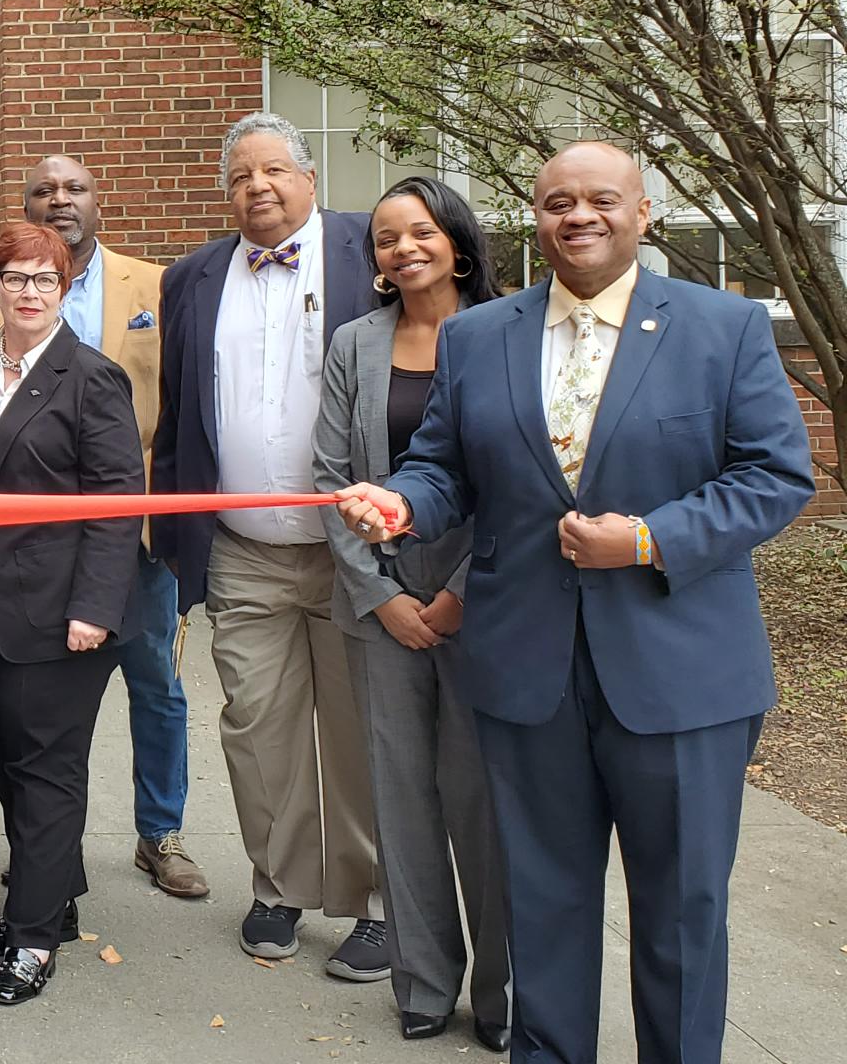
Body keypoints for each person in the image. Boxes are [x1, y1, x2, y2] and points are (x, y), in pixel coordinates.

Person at [338, 143, 814, 1064]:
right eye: (558, 201)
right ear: (535, 219)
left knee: (681, 915)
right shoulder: (480, 338)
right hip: (528, 676)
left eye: (602, 199)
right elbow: (444, 467)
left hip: (680, 677)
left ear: (644, 213)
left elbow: (773, 476)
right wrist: (401, 503)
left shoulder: (724, 327)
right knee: (542, 907)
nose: (578, 215)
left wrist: (647, 538)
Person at [150, 112, 387, 978]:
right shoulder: (194, 277)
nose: (259, 187)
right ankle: (279, 888)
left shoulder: (373, 251)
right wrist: (181, 548)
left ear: (310, 176)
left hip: (355, 552)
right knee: (257, 727)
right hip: (243, 550)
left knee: (361, 729)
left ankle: (375, 904)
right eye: (242, 176)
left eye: (275, 171)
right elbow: (181, 420)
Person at [0, 156, 208, 900]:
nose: (59, 201)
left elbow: (178, 400)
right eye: (44, 191)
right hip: (27, 552)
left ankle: (159, 831)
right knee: (33, 714)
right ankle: (44, 849)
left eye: (74, 190)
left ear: (98, 203)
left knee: (156, 683)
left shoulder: (154, 284)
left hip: (129, 533)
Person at [311, 177, 511, 1050]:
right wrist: (381, 594)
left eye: (420, 233)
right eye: (387, 239)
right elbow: (331, 480)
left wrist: (462, 590)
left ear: (457, 243)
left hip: (488, 596)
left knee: (484, 806)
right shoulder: (355, 344)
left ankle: (505, 995)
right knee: (401, 802)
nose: (403, 249)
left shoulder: (508, 336)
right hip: (380, 601)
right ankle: (424, 984)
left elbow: (523, 484)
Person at [0, 222, 144, 1005]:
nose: (28, 292)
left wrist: (95, 606)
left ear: (64, 291)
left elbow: (117, 505)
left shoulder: (91, 379)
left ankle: (32, 937)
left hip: (59, 609)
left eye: (44, 280)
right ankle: (51, 894)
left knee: (46, 767)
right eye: (14, 278)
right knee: (6, 751)